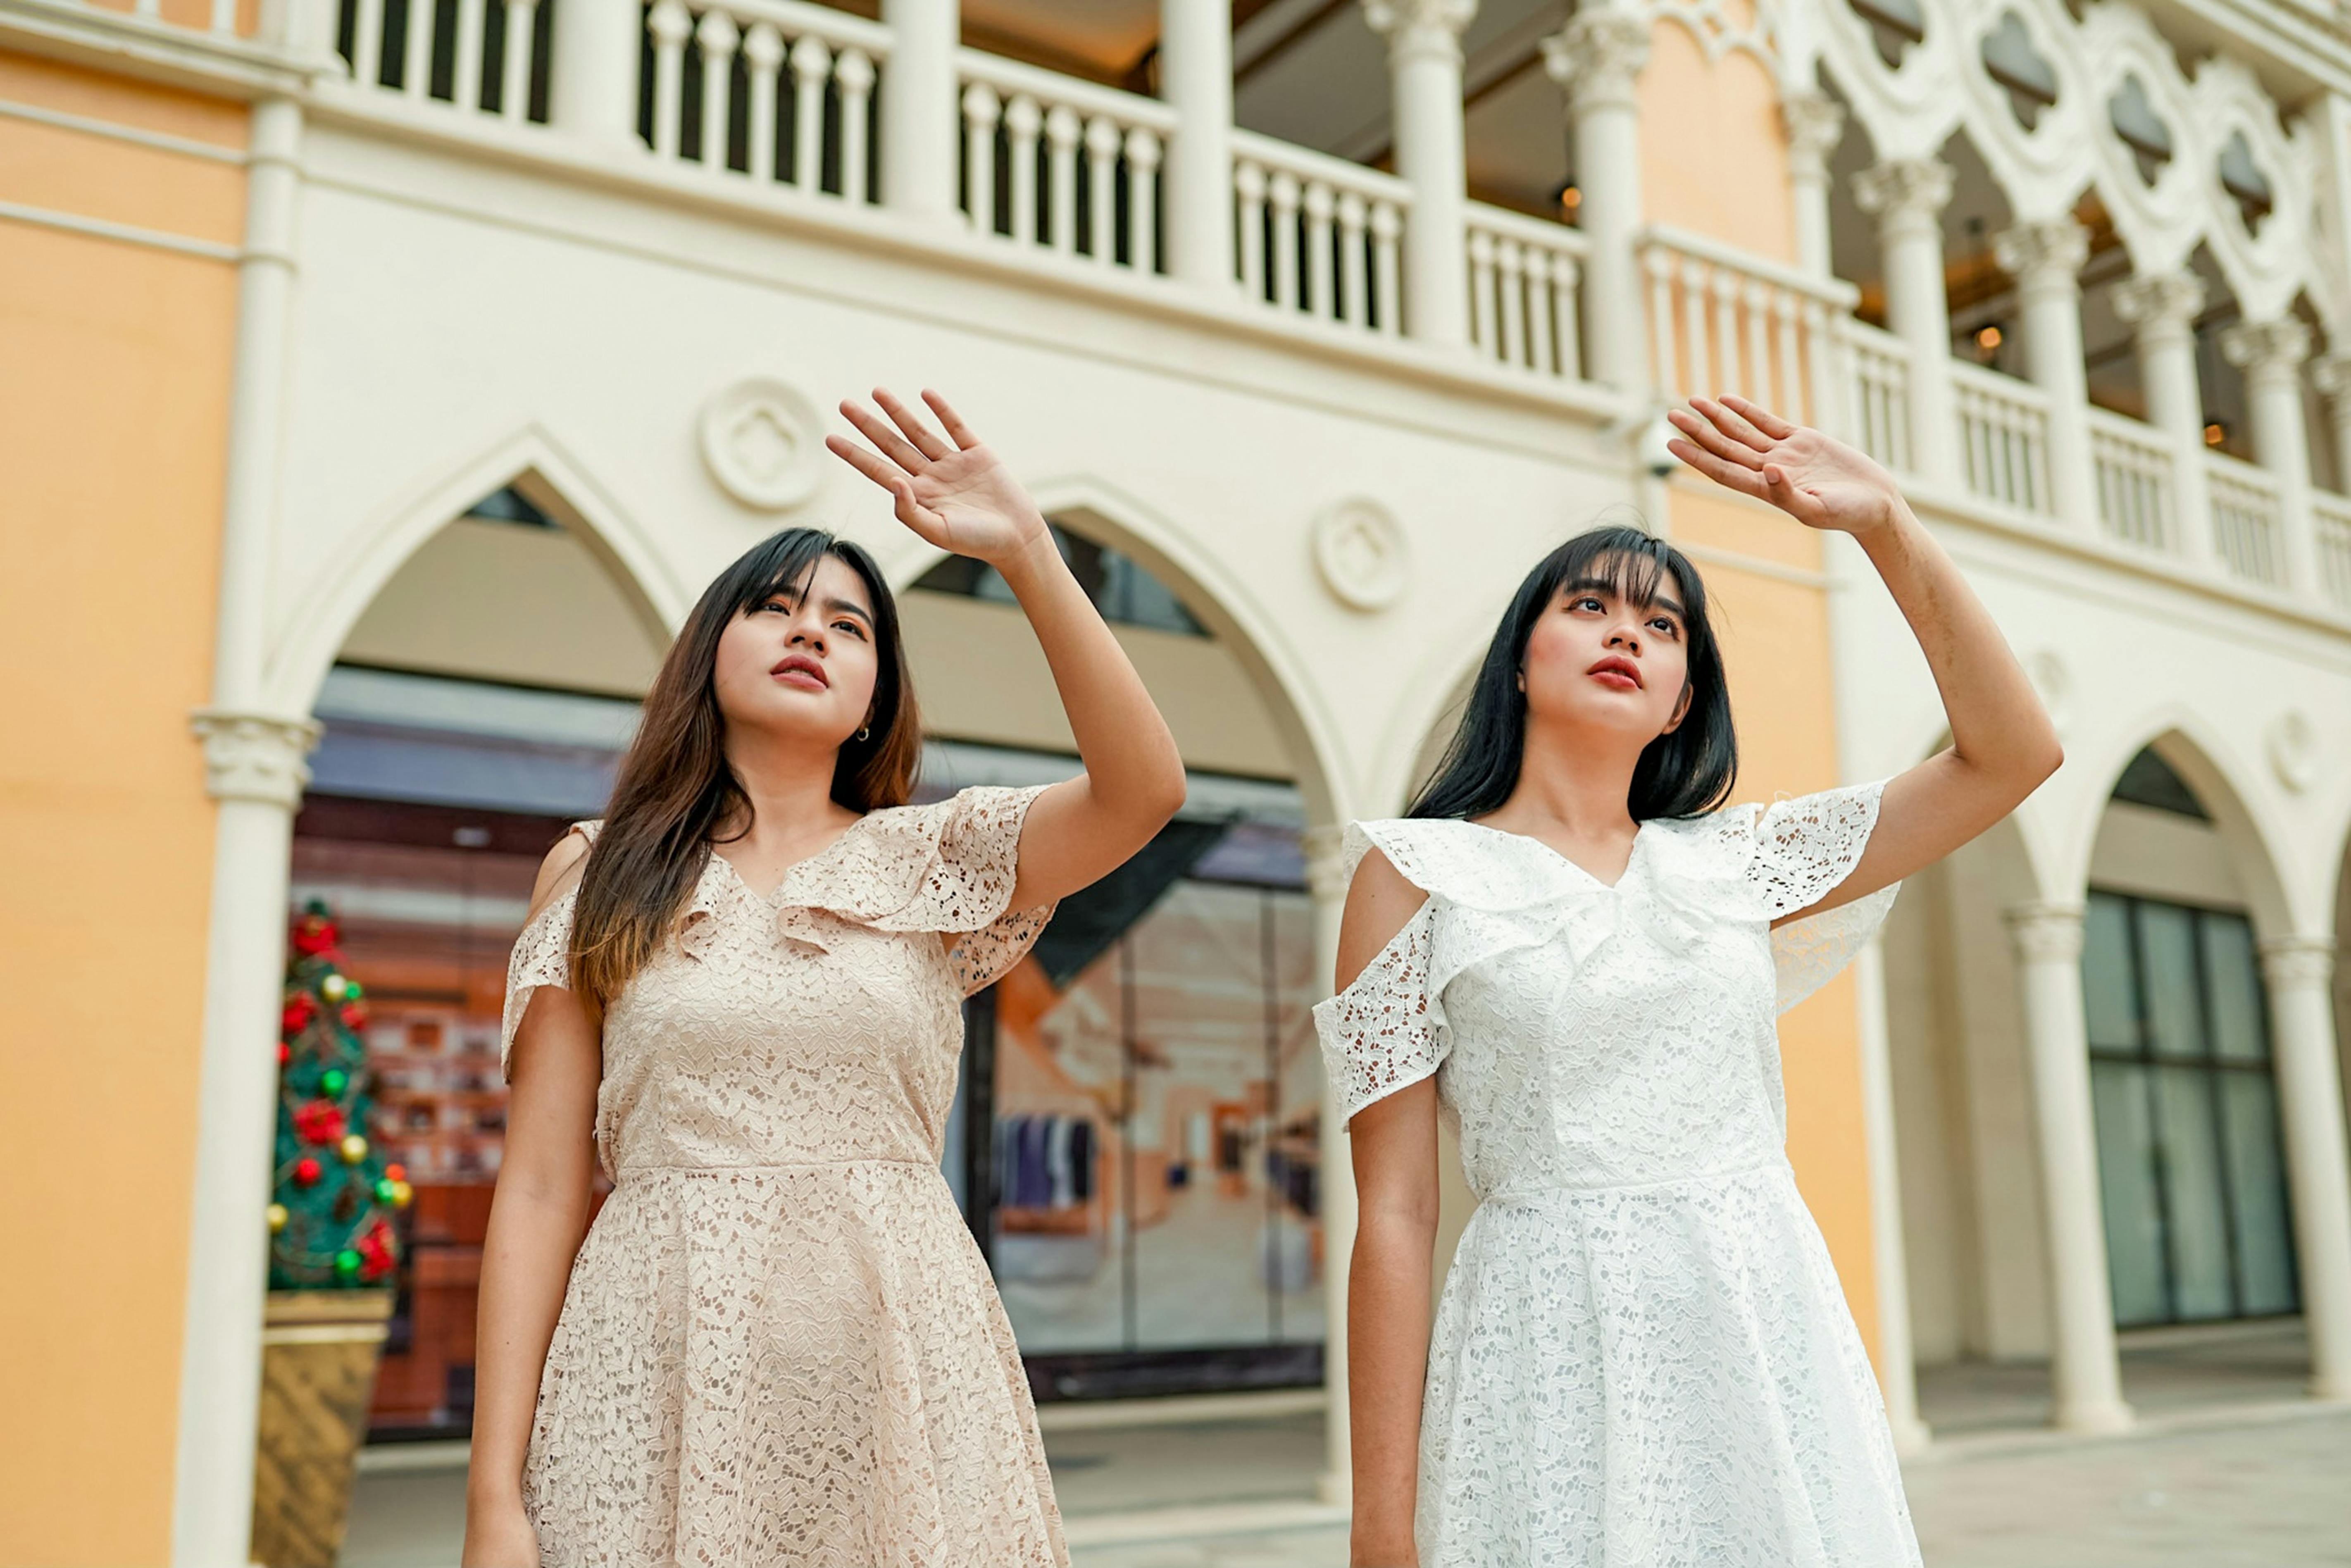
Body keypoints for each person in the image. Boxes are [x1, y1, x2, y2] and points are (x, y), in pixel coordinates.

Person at [1324, 394, 2061, 1567]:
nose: (1627, 631)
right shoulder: (1413, 874)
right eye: (1588, 606)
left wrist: (1884, 525)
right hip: (1541, 1336)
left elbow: (2011, 755)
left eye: (1663, 626)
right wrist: (1379, 1524)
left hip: (1755, 1323)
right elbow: (1397, 1213)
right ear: (1521, 657)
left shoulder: (1736, 862)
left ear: (1681, 697)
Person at [461, 389, 1185, 1568]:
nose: (811, 632)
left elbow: (1143, 789)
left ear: (874, 694)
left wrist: (1027, 551)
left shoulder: (933, 858)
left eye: (849, 626)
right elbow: (540, 1187)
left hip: (901, 1362)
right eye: (775, 608)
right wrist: (494, 1497)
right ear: (710, 651)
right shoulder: (597, 870)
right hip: (651, 1372)